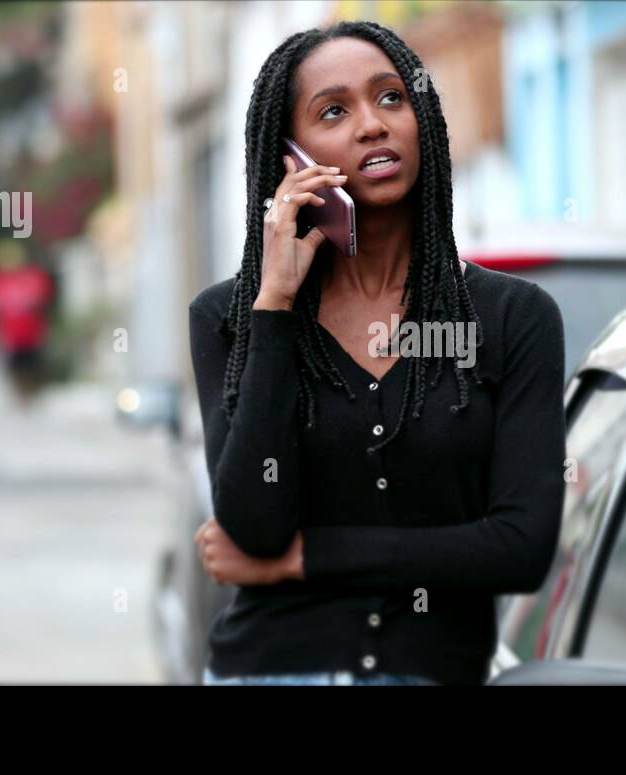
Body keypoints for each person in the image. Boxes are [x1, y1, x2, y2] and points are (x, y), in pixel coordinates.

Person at [188, 20, 566, 687]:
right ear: (290, 158)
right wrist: (274, 303)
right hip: (271, 673)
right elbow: (252, 523)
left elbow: (519, 547)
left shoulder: (512, 318)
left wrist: (305, 560)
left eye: (392, 98)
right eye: (334, 110)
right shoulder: (229, 319)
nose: (373, 124)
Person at [0, 241, 53, 406]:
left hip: (32, 333)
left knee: (33, 365)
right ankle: (20, 394)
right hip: (10, 335)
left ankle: (32, 392)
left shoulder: (33, 277)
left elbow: (42, 301)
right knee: (13, 367)